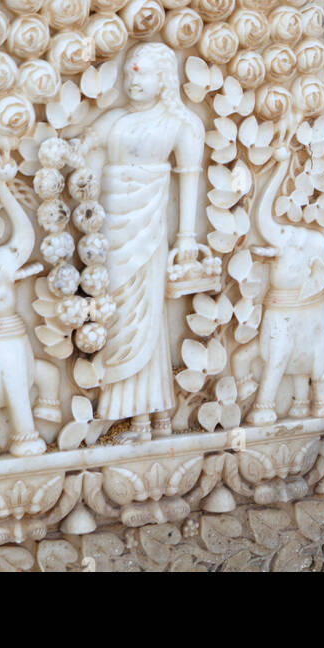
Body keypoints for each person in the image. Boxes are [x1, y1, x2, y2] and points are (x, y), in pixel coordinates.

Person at [80, 42, 203, 442]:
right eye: (130, 73)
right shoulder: (115, 120)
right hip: (110, 234)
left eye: (144, 73)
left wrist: (186, 237)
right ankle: (126, 412)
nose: (134, 80)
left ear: (165, 79)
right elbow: (83, 150)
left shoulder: (179, 124)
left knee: (145, 319)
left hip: (148, 233)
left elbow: (189, 178)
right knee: (114, 315)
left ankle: (149, 417)